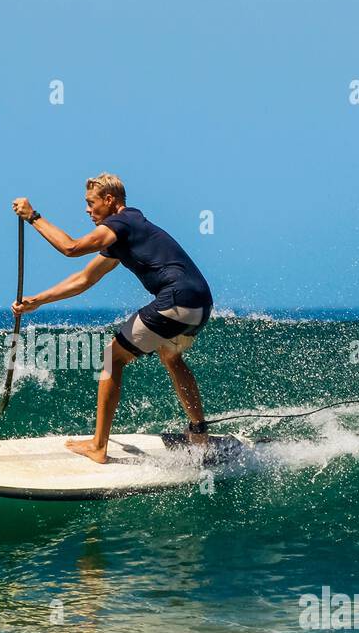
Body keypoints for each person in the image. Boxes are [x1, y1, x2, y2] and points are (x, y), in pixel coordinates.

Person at [11, 172, 214, 464]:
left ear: (110, 200)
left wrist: (34, 217)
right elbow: (84, 279)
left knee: (111, 358)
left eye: (91, 203)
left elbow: (71, 248)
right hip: (200, 303)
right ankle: (199, 433)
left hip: (176, 299)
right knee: (171, 357)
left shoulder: (121, 223)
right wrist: (37, 301)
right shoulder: (127, 231)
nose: (87, 210)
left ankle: (98, 447)